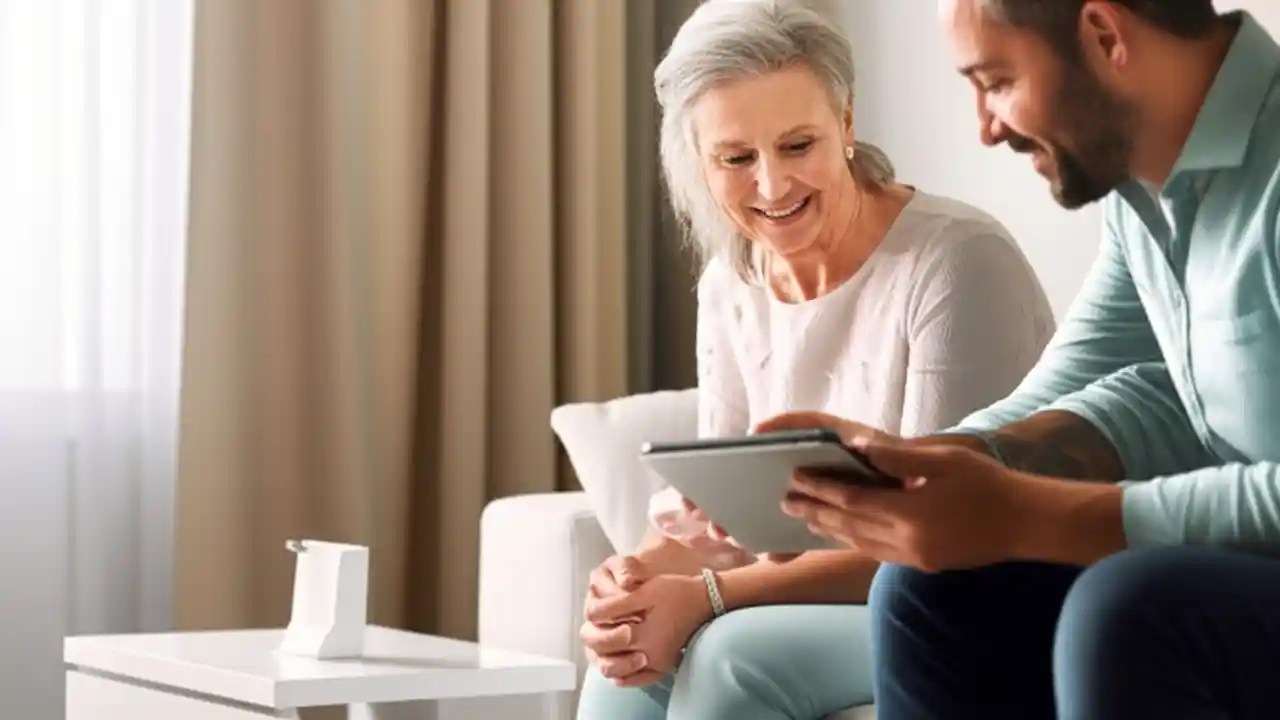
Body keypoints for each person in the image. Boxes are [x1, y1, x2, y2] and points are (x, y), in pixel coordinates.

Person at [768, 1, 1280, 718]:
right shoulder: (1142, 193)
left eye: (997, 82)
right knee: (929, 589)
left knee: (1129, 610)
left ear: (1104, 35)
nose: (986, 127)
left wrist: (1026, 513)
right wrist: (914, 464)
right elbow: (1095, 379)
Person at [575, 1, 1054, 718]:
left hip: (964, 595)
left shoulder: (955, 262)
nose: (772, 186)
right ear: (699, 162)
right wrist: (633, 582)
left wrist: (709, 598)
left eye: (798, 145)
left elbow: (934, 532)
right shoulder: (730, 286)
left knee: (731, 657)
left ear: (846, 123)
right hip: (839, 596)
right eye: (736, 159)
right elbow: (720, 515)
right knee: (626, 661)